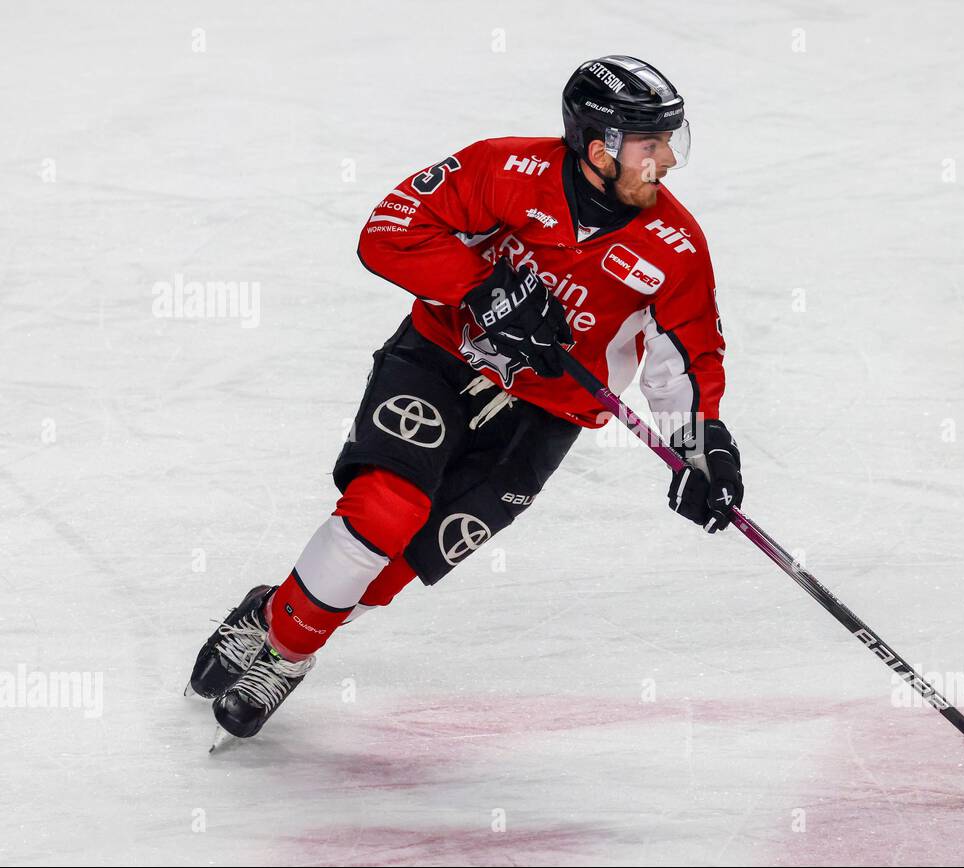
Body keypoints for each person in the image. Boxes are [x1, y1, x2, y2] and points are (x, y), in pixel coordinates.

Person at [187, 55, 743, 742]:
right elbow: (391, 228)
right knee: (384, 508)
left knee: (399, 562)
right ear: (597, 146)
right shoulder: (505, 169)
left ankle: (275, 617)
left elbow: (685, 353)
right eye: (649, 144)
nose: (668, 160)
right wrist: (481, 289)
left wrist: (700, 447)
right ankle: (289, 654)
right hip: (442, 359)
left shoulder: (677, 245)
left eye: (670, 140)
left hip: (545, 415)